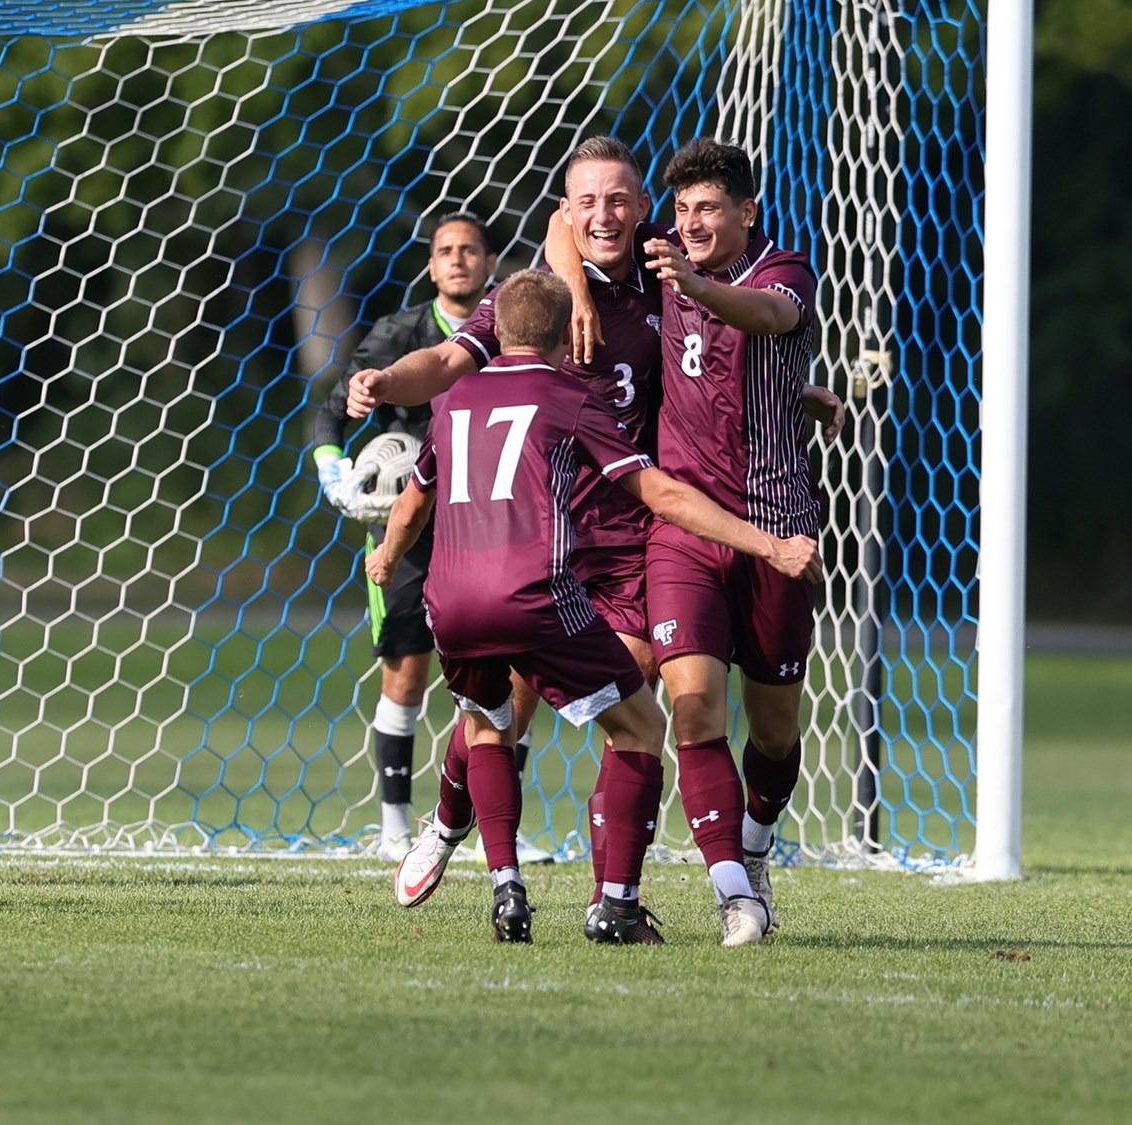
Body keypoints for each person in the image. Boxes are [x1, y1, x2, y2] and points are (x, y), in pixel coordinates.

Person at [367, 270, 820, 945]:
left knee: (488, 726)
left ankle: (505, 886)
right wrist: (769, 545)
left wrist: (385, 559)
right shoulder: (568, 395)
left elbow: (411, 503)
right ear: (564, 338)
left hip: (451, 600)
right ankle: (615, 902)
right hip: (538, 590)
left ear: (498, 333)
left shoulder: (455, 400)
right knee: (638, 724)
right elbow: (661, 493)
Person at [633, 138, 824, 945]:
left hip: (778, 529)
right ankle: (733, 890)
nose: (691, 223)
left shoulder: (782, 271)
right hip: (684, 527)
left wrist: (701, 287)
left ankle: (755, 840)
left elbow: (771, 316)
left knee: (775, 730)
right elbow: (571, 221)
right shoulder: (665, 255)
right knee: (694, 704)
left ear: (747, 212)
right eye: (681, 210)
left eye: (708, 208)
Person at [311, 214, 499, 862]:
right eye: (445, 250)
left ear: (489, 261)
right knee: (408, 673)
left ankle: (495, 823)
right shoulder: (397, 335)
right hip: (409, 526)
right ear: (431, 264)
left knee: (492, 677)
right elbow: (332, 410)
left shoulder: (509, 330)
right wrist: (334, 472)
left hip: (488, 524)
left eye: (469, 249)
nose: (457, 260)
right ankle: (395, 824)